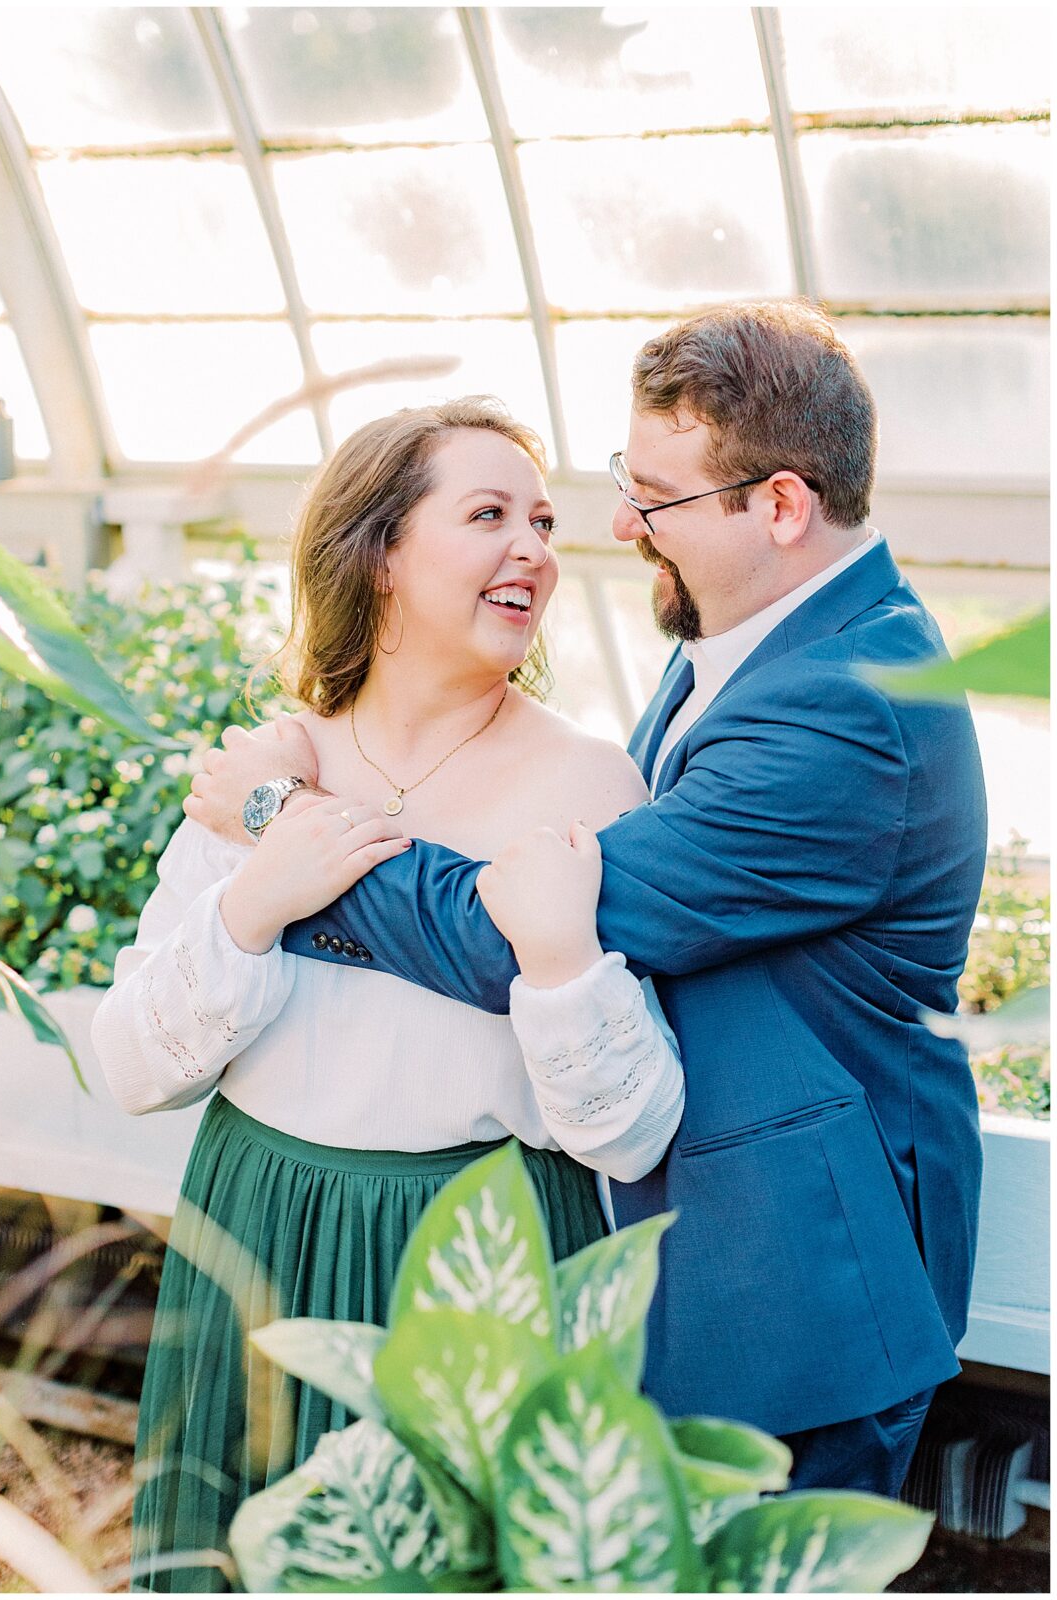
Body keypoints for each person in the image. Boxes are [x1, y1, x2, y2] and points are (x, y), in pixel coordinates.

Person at [193, 301, 989, 1501]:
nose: (619, 527)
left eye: (655, 499)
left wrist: (283, 837)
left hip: (800, 1282)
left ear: (779, 506)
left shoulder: (848, 711)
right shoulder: (749, 633)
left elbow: (516, 924)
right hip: (732, 1249)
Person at [91, 397, 685, 1592]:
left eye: (542, 521)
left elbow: (633, 1131)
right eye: (487, 515)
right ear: (382, 551)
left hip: (482, 1261)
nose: (534, 548)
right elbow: (128, 1065)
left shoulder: (590, 784)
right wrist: (256, 902)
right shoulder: (267, 765)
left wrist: (565, 963)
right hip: (258, 1235)